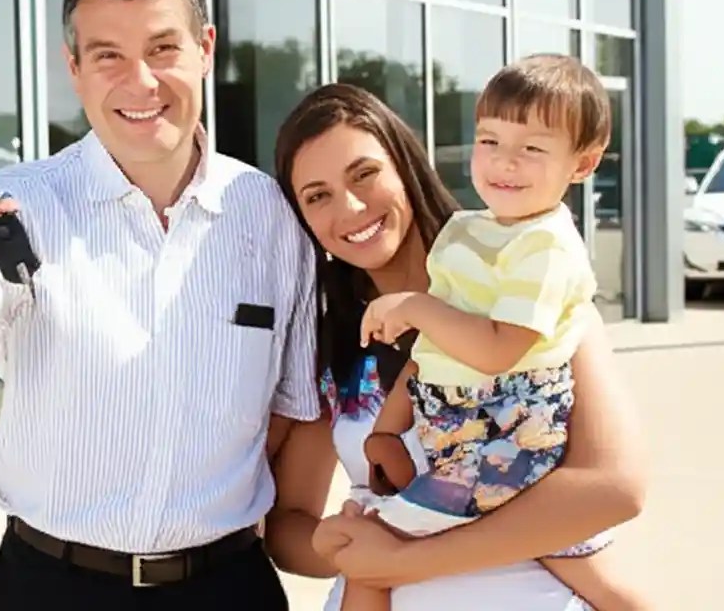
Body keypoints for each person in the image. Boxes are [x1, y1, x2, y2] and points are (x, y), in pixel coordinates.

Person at [0, 0, 320, 611]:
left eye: (163, 49)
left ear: (205, 48)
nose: (140, 82)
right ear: (74, 67)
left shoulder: (272, 216)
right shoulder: (18, 205)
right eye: (109, 55)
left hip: (229, 588)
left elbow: (288, 415)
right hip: (51, 586)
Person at [262, 83, 648, 610]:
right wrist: (345, 546)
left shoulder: (528, 286)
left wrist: (401, 556)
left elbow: (614, 488)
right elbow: (289, 526)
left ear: (406, 166)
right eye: (317, 196)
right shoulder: (332, 343)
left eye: (365, 174)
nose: (350, 207)